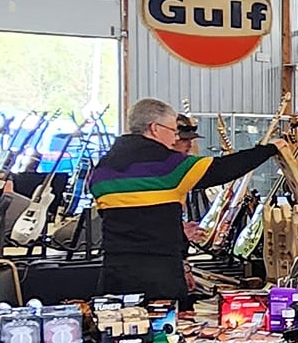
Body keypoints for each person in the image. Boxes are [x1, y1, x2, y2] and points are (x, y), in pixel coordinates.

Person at [89, 98, 287, 302]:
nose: (175, 138)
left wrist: (174, 230)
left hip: (114, 273)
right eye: (173, 131)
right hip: (158, 276)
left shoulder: (102, 170)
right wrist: (268, 149)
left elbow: (130, 217)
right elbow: (223, 169)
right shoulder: (168, 165)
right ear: (154, 128)